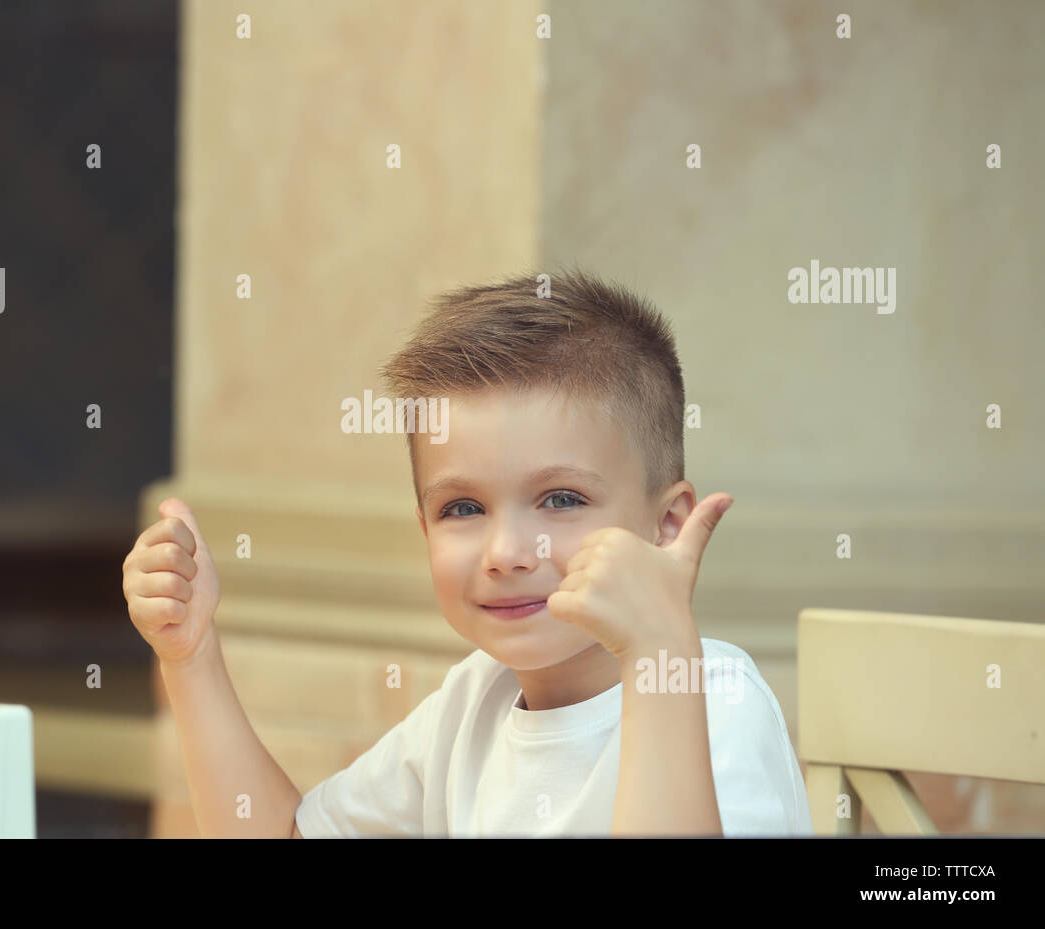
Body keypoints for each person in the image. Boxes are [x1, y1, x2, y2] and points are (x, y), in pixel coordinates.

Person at [122, 267, 812, 837]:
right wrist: (192, 657)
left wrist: (662, 647)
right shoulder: (473, 702)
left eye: (562, 498)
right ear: (425, 527)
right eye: (463, 508)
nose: (508, 550)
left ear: (667, 526)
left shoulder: (715, 697)